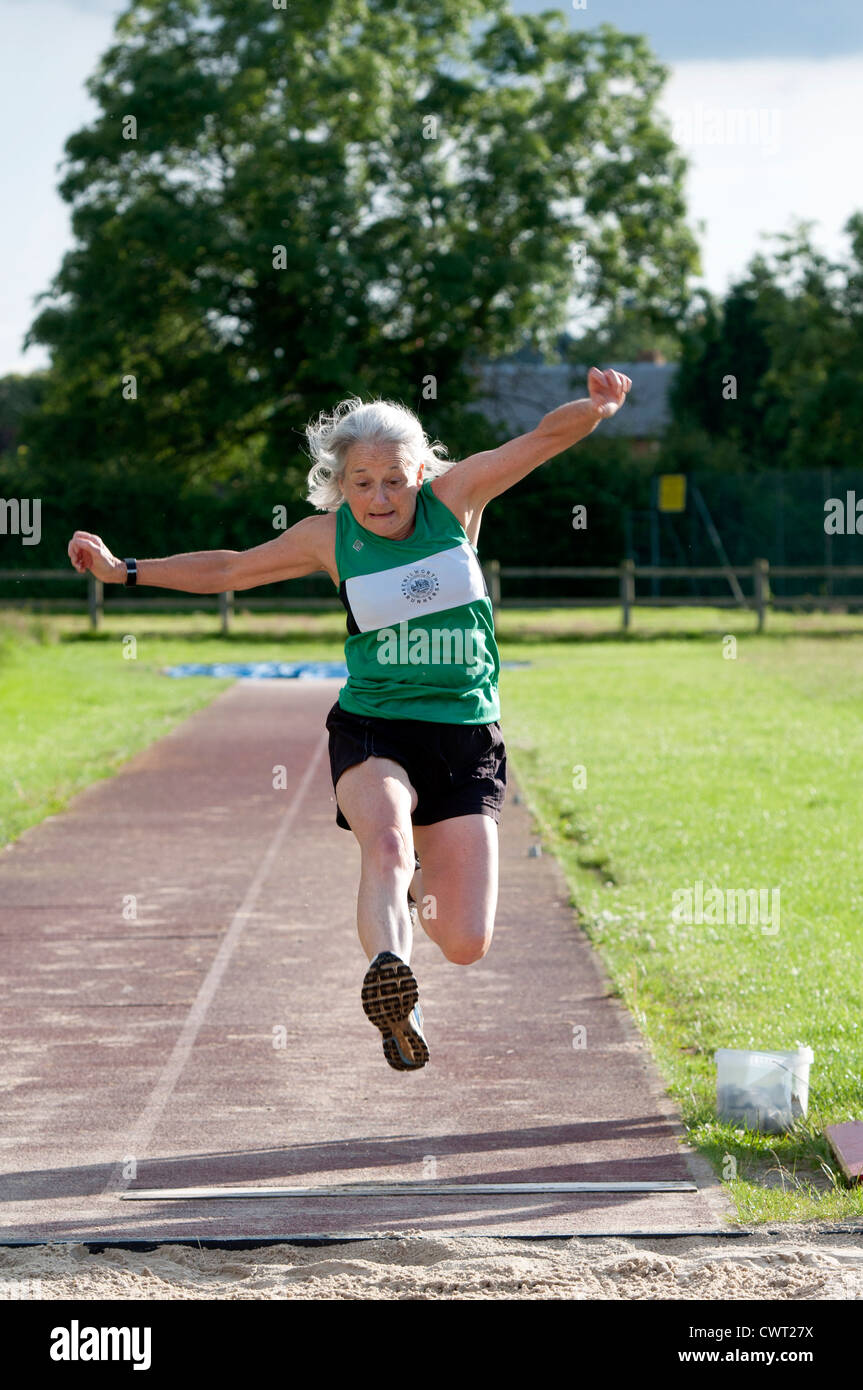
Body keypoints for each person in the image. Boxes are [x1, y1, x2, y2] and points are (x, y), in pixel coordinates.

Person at [68, 366, 631, 1072]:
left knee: (463, 941)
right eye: (361, 482)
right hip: (374, 728)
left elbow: (539, 440)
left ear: (420, 470)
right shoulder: (326, 537)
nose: (379, 497)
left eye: (394, 479)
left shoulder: (454, 502)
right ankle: (398, 991)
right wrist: (124, 570)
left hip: (465, 735)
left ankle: (420, 896)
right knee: (388, 844)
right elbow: (229, 569)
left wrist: (598, 409)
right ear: (340, 484)